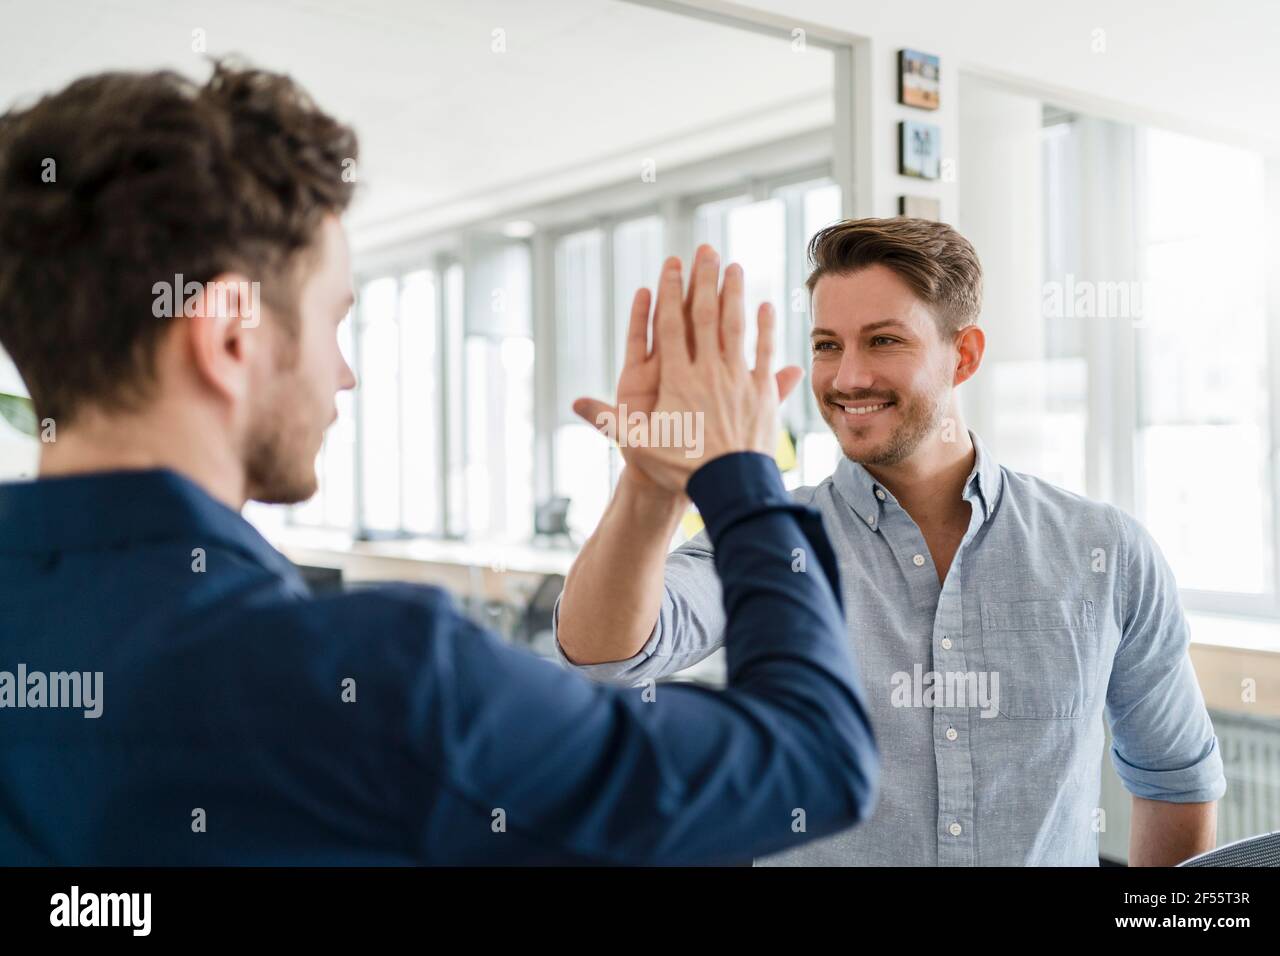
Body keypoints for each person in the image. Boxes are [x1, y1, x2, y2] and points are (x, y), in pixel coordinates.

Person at [0, 61, 878, 865]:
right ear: (230, 338)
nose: (342, 373)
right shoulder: (382, 681)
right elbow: (815, 758)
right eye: (333, 321)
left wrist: (654, 488)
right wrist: (738, 467)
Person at [557, 216, 1226, 866]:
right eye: (826, 345)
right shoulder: (769, 540)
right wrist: (650, 488)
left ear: (962, 356)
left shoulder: (1104, 550)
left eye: (883, 341)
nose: (847, 377)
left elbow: (1175, 780)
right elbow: (607, 654)